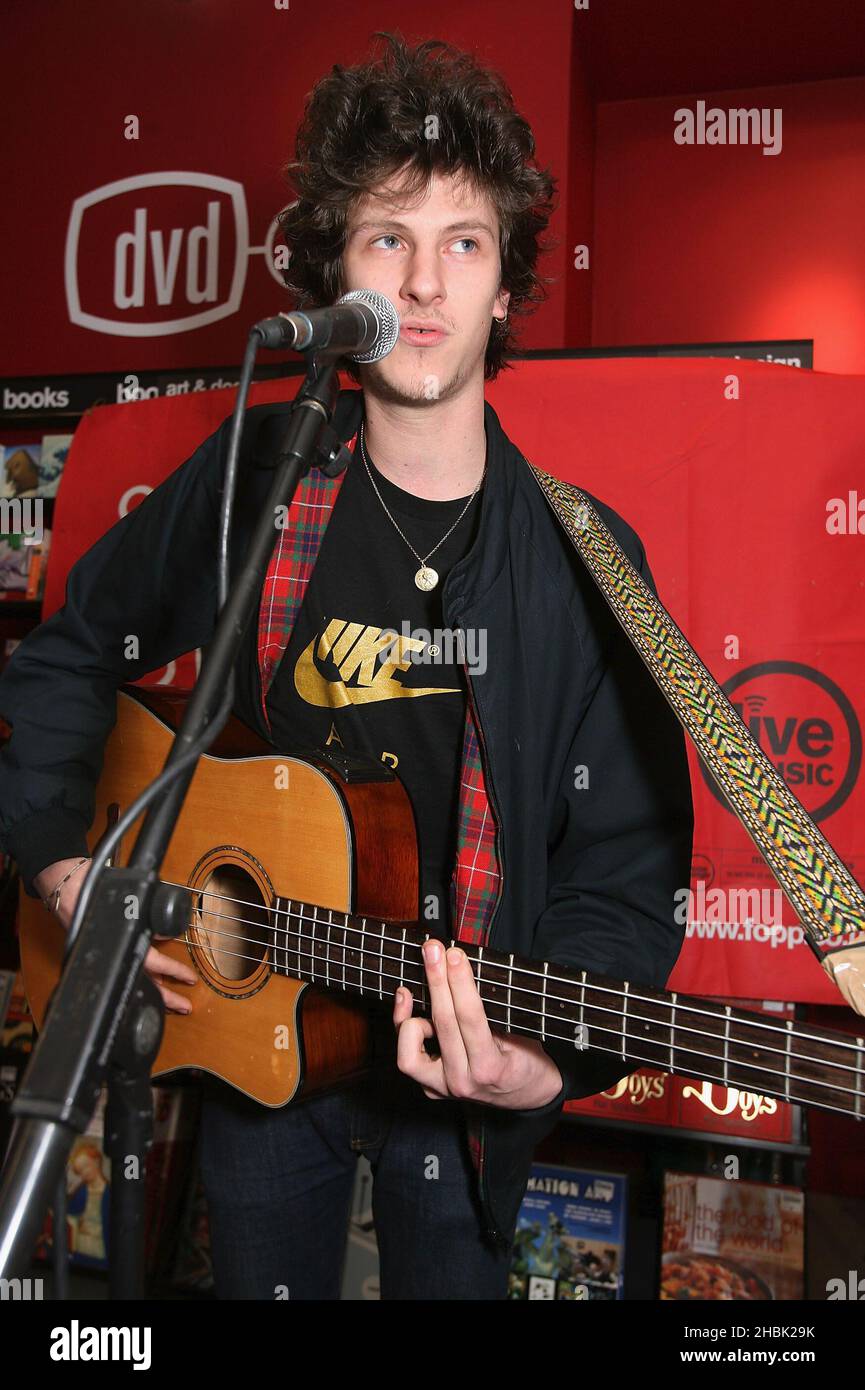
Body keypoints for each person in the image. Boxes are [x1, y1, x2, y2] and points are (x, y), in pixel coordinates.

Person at [0, 33, 694, 1300]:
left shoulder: (587, 559)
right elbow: (68, 652)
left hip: (461, 1095)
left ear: (505, 284)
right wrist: (63, 860)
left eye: (463, 243)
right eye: (387, 238)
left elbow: (626, 875)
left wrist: (539, 1064)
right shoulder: (262, 476)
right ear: (337, 268)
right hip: (256, 1033)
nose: (424, 282)